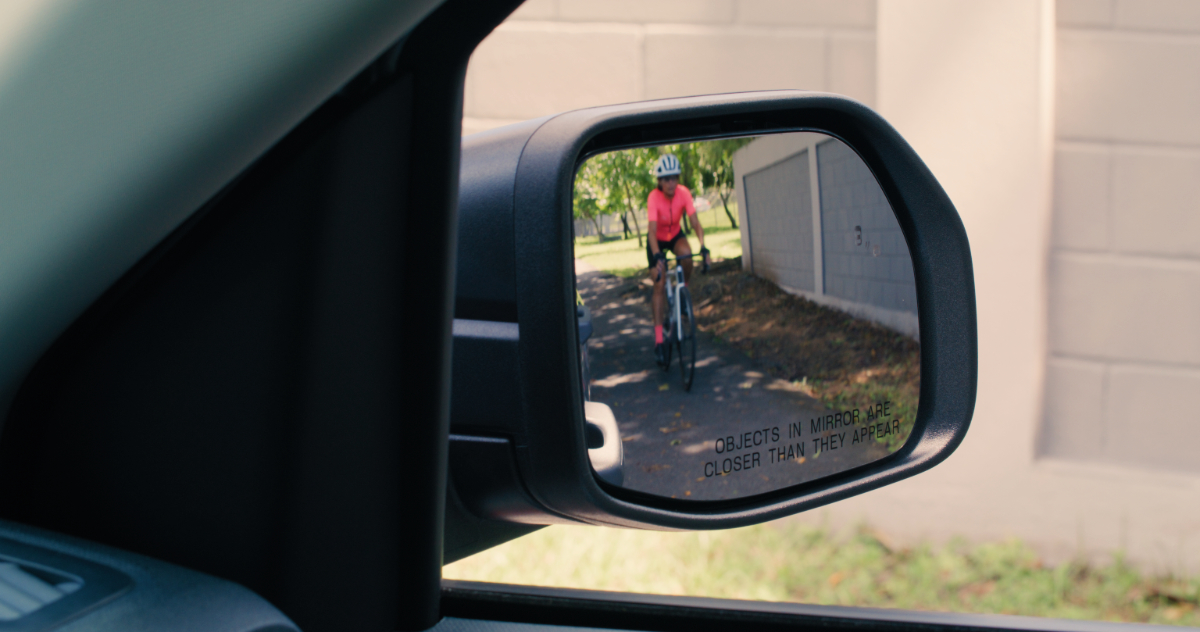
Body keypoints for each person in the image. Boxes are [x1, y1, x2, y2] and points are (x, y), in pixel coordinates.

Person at [646, 153, 709, 366]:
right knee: (659, 283)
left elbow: (694, 221)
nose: (671, 182)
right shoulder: (654, 197)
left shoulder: (683, 193)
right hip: (656, 241)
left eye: (674, 178)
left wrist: (704, 246)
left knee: (688, 255)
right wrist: (656, 257)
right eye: (666, 179)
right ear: (660, 181)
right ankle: (658, 340)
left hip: (674, 236)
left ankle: (683, 290)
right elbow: (651, 231)